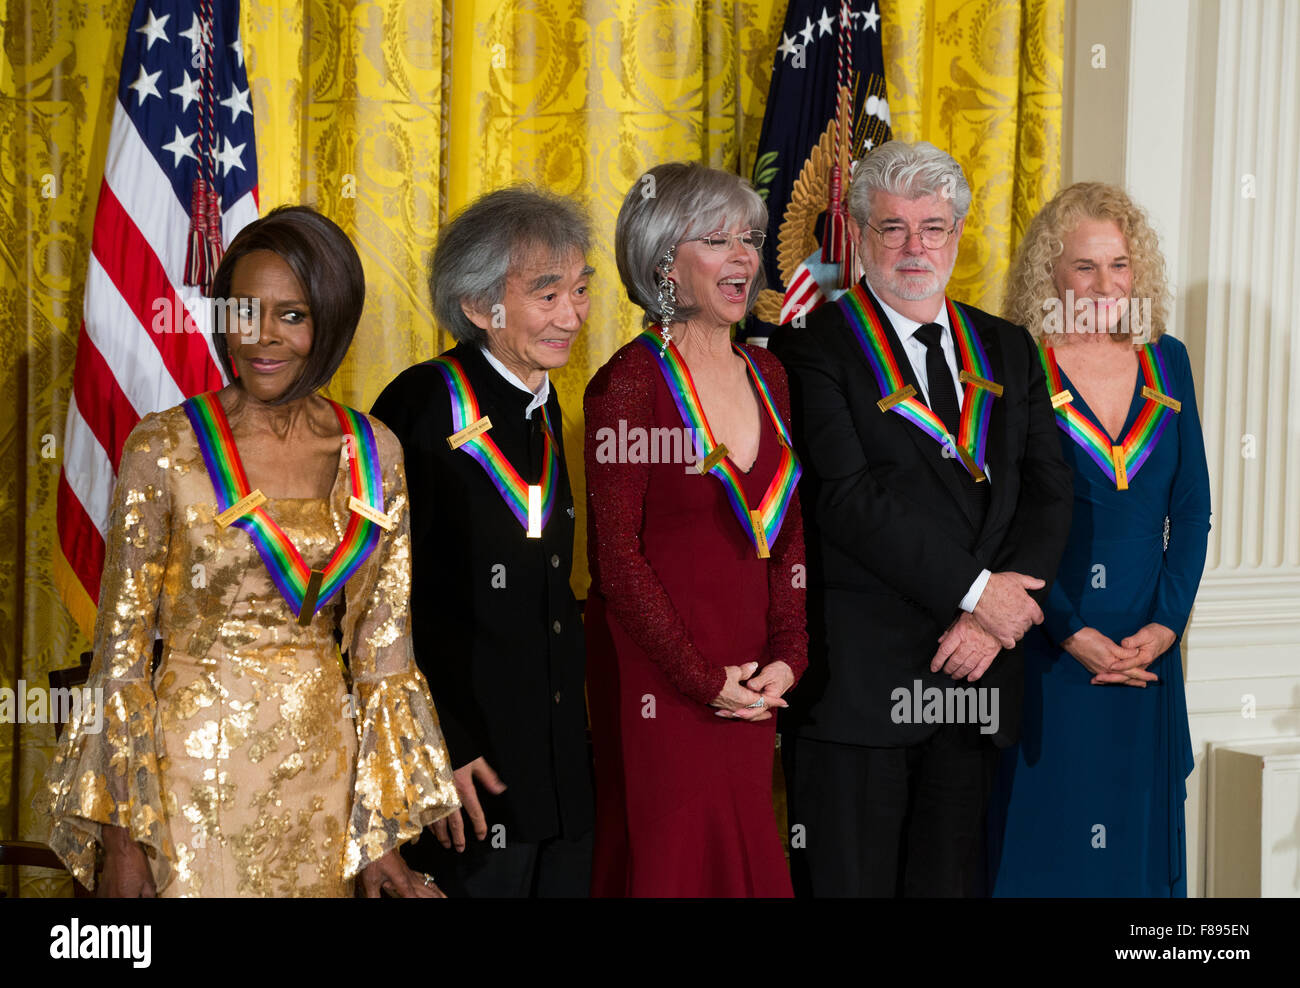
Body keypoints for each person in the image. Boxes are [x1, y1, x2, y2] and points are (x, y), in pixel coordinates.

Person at [41, 205, 460, 897]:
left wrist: (379, 837)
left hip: (325, 785)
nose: (260, 337)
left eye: (292, 315)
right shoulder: (164, 447)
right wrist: (123, 839)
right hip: (188, 785)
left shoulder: (374, 451)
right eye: (243, 311)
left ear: (332, 322)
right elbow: (120, 661)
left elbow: (383, 657)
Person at [768, 140, 1074, 897]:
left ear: (957, 234)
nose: (915, 247)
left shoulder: (1008, 346)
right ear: (858, 235)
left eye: (933, 227)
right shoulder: (809, 347)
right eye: (893, 227)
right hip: (859, 691)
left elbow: (1048, 489)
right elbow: (846, 499)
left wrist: (993, 618)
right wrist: (980, 593)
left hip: (977, 677)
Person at [584, 162, 808, 897]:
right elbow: (616, 559)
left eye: (751, 239)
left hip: (754, 684)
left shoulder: (769, 374)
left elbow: (787, 528)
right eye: (717, 241)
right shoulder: (628, 382)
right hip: (664, 686)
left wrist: (790, 654)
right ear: (664, 265)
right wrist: (702, 680)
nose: (744, 257)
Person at [987, 182, 1211, 896]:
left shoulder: (1168, 360)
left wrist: (1167, 626)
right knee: (1045, 848)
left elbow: (1192, 512)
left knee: (1133, 858)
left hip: (1147, 653)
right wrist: (1068, 629)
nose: (1105, 284)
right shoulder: (1017, 363)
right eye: (1084, 266)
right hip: (1048, 648)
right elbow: (1000, 520)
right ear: (1049, 272)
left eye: (1119, 264)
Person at [371, 188, 595, 897]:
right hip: (464, 778)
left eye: (580, 289)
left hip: (556, 771)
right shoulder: (420, 403)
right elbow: (382, 602)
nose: (572, 315)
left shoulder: (543, 401)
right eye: (547, 294)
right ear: (477, 306)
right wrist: (441, 746)